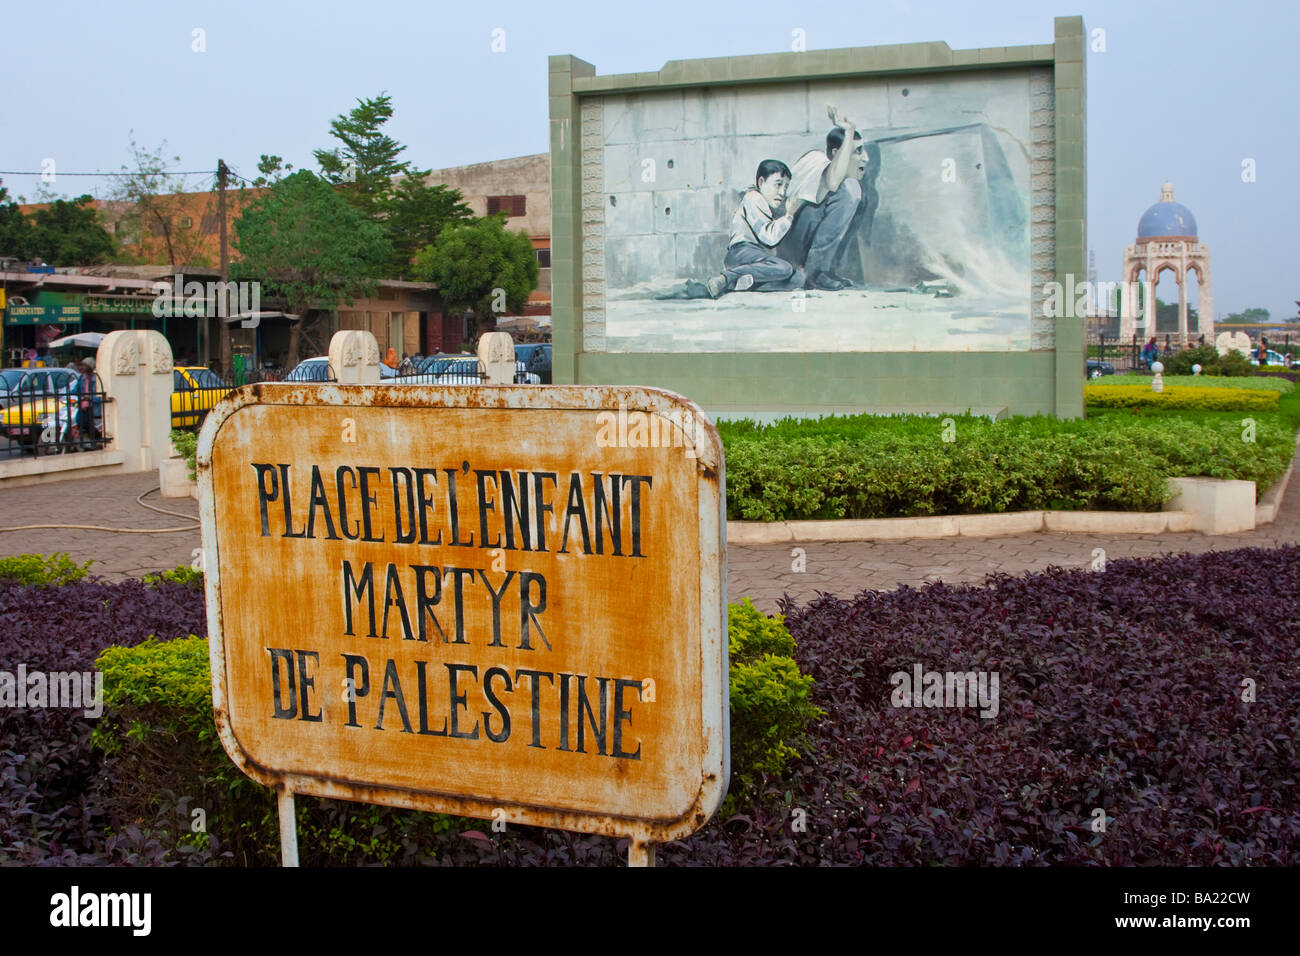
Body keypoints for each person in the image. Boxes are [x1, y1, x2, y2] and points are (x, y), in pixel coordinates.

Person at [776, 108, 872, 290]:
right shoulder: (817, 160)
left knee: (857, 196)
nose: (865, 158)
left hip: (803, 245)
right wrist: (849, 131)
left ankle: (825, 270)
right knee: (850, 190)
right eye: (857, 151)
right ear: (836, 153)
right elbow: (833, 182)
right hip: (789, 248)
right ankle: (815, 273)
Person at [695, 160, 807, 298]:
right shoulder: (753, 198)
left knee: (798, 279)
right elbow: (769, 237)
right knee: (784, 268)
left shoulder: (766, 202)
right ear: (761, 182)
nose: (783, 192)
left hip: (756, 258)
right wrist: (789, 215)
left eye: (786, 186)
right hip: (741, 254)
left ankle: (739, 284)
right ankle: (726, 278)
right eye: (778, 185)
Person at [75, 357, 97, 450]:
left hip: (94, 407)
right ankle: (85, 441)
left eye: (85, 365)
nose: (82, 367)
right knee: (78, 420)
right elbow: (74, 390)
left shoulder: (96, 379)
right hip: (83, 407)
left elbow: (100, 395)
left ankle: (94, 441)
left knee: (91, 424)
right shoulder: (82, 379)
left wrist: (90, 398)